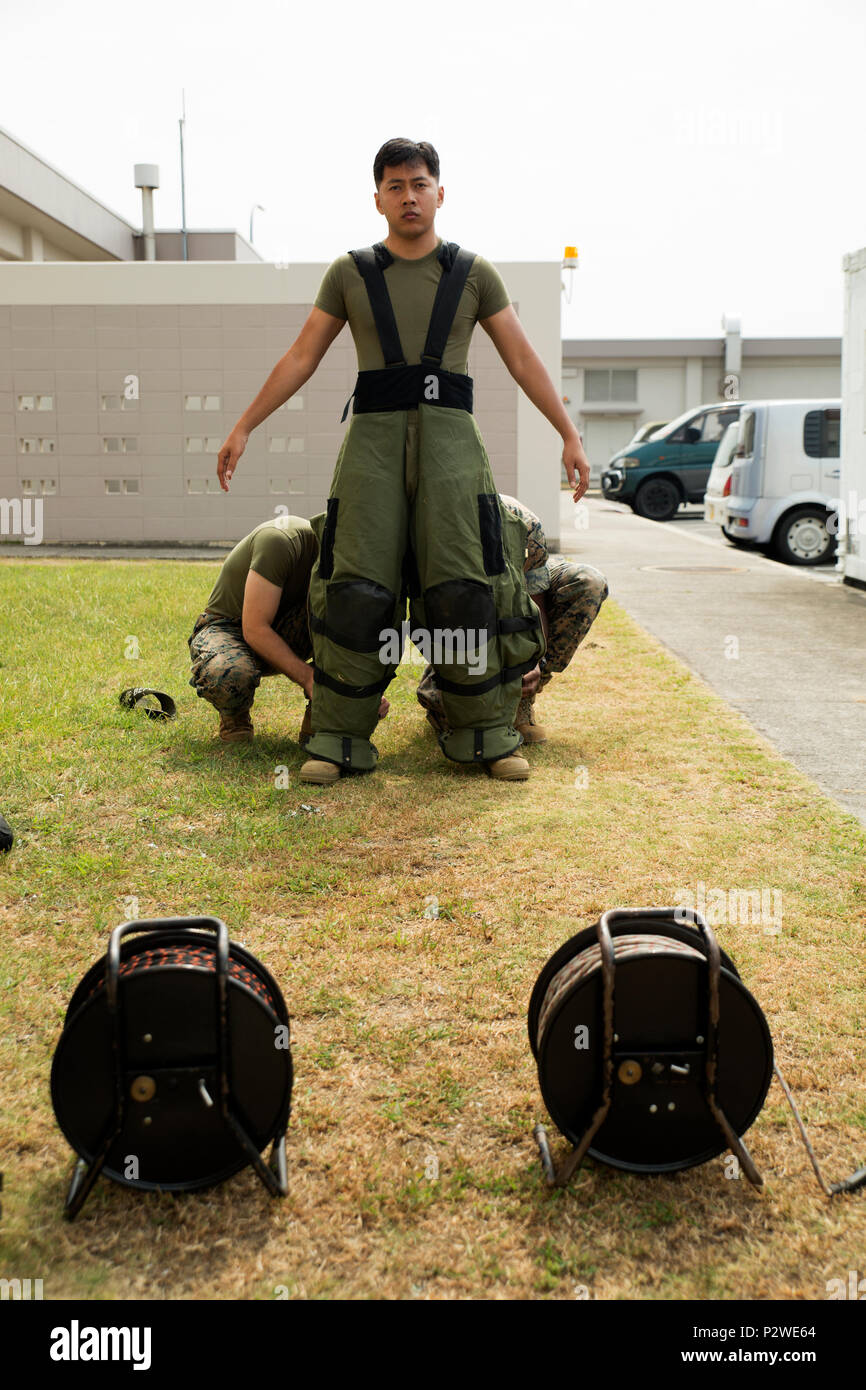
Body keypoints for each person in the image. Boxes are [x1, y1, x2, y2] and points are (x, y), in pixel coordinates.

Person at [216, 138, 590, 785]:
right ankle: (336, 737)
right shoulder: (350, 274)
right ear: (378, 197)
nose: (408, 196)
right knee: (357, 586)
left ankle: (485, 733)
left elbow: (522, 358)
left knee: (464, 587)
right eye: (395, 185)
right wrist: (245, 424)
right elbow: (302, 356)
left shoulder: (474, 273)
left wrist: (568, 433)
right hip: (373, 443)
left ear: (439, 192)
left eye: (419, 184)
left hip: (451, 445)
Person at [417, 495, 608, 743]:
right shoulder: (436, 526)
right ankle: (443, 695)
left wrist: (534, 661)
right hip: (463, 602)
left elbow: (534, 602)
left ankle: (520, 699)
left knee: (588, 582)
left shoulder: (524, 523)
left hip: (518, 586)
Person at [187, 512, 390, 743]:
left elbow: (347, 637)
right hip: (229, 628)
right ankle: (235, 714)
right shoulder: (279, 541)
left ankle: (319, 718)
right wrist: (307, 678)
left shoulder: (348, 564)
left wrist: (360, 692)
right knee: (231, 674)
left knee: (344, 619)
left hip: (289, 626)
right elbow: (254, 629)